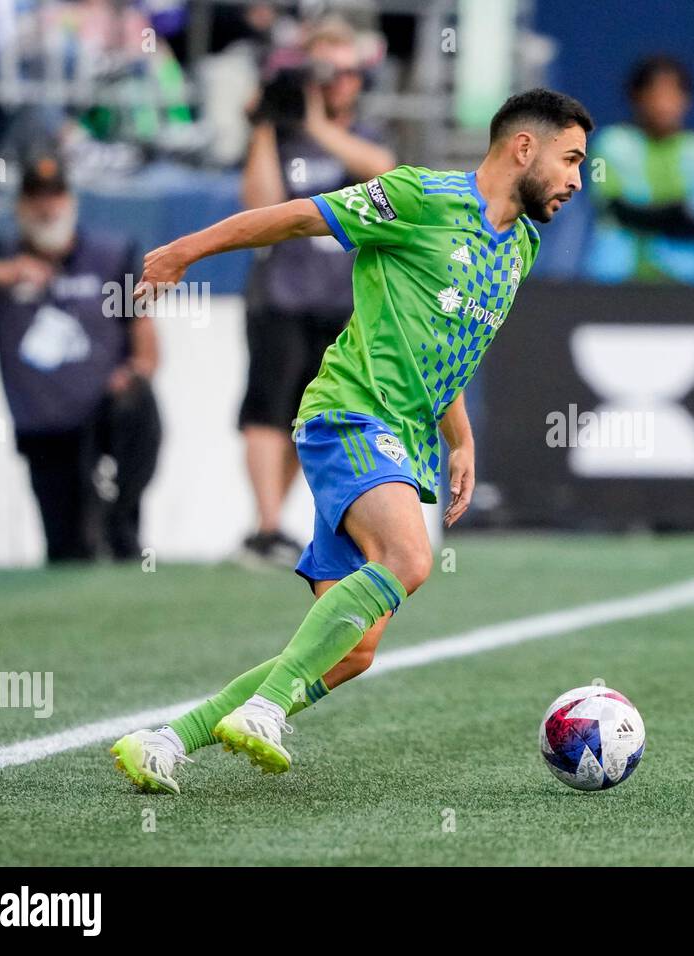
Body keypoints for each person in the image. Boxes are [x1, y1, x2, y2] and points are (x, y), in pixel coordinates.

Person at [110, 88, 592, 794]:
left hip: (400, 440)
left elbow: (446, 345)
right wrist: (186, 250)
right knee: (407, 557)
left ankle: (166, 740)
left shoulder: (519, 246)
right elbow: (298, 217)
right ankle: (267, 710)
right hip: (350, 414)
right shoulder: (420, 197)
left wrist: (459, 438)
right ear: (525, 147)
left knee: (352, 650)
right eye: (571, 158)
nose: (579, 178)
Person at [238, 16, 396, 567]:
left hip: (344, 299)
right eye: (323, 71)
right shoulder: (281, 135)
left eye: (346, 72)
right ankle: (264, 525)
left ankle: (286, 524)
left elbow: (384, 177)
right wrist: (263, 124)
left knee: (313, 416)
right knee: (267, 408)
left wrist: (318, 126)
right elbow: (260, 204)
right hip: (282, 293)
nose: (336, 84)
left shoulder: (367, 134)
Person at [0, 154, 161, 561]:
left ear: (71, 200)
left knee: (139, 403)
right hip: (46, 429)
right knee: (68, 551)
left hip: (104, 410)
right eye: (35, 198)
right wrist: (5, 274)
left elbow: (144, 332)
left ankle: (119, 519)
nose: (47, 208)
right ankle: (92, 537)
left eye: (55, 196)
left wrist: (136, 370)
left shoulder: (109, 256)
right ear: (20, 206)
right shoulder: (1, 255)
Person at [586, 55, 694, 284]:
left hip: (687, 279)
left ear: (687, 99)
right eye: (654, 93)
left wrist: (654, 216)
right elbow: (612, 207)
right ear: (636, 96)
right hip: (615, 278)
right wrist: (676, 213)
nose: (663, 104)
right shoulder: (609, 145)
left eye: (673, 94)